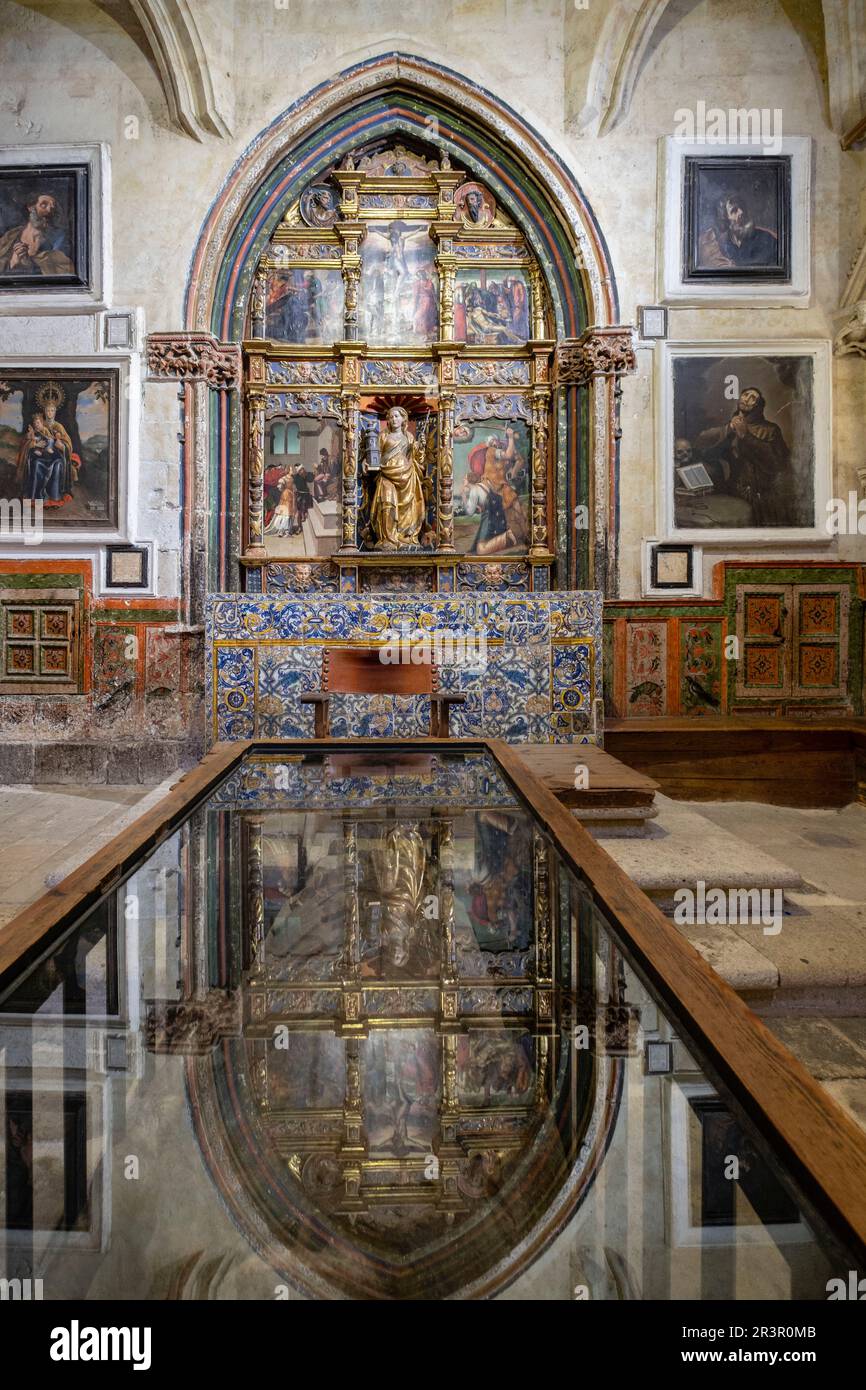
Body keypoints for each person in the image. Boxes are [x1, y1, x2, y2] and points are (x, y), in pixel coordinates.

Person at [696, 387, 792, 526]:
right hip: (734, 493)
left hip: (762, 496)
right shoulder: (729, 428)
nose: (747, 399)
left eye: (753, 398)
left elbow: (777, 464)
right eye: (745, 395)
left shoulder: (770, 430)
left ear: (758, 405)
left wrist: (746, 436)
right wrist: (729, 429)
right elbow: (707, 453)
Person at [365, 406, 426, 548]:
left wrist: (421, 446)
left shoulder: (409, 437)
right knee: (387, 503)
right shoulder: (383, 436)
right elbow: (373, 454)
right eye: (391, 417)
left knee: (409, 506)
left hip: (407, 475)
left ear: (404, 418)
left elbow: (417, 459)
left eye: (397, 416)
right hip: (386, 474)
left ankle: (405, 537)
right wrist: (366, 464)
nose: (394, 419)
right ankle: (388, 539)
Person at [0, 191, 74, 276]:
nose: (49, 210)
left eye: (53, 207)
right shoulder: (11, 235)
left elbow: (66, 273)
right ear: (31, 207)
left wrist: (31, 266)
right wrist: (11, 263)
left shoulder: (60, 239)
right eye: (44, 205)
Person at [698, 195, 779, 269]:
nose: (741, 212)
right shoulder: (722, 244)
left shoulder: (766, 238)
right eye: (734, 210)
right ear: (726, 220)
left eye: (742, 207)